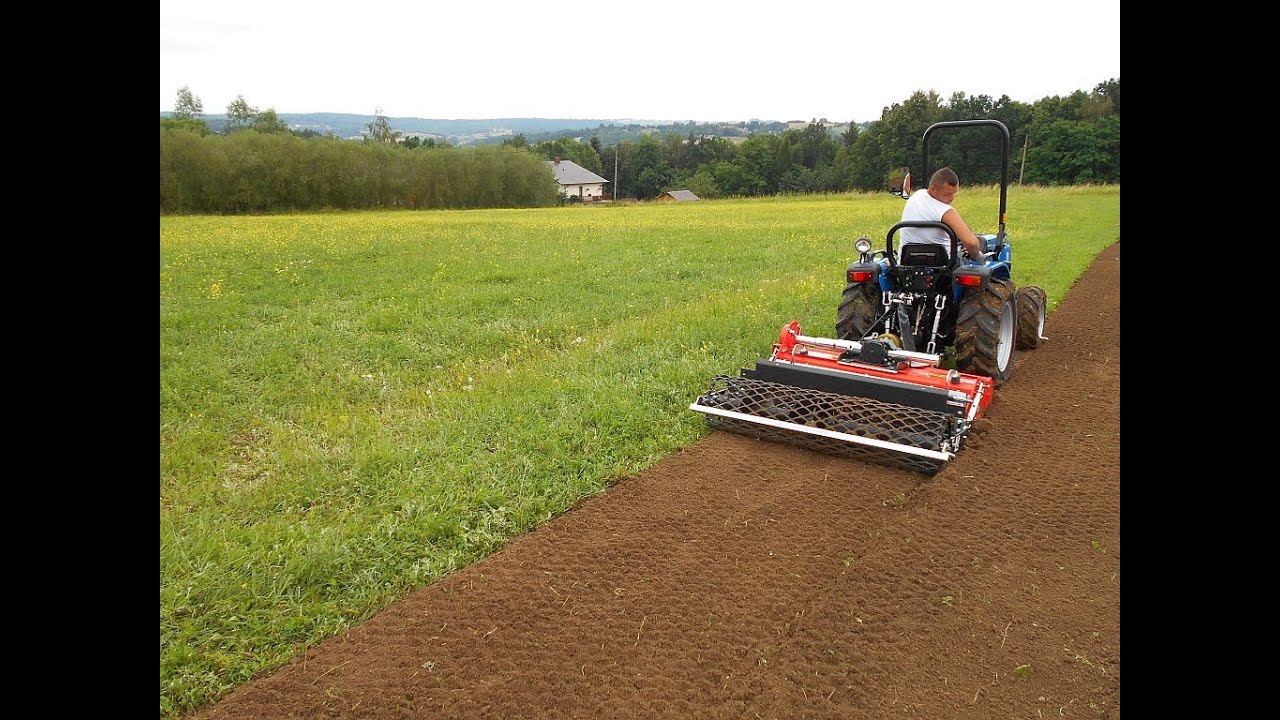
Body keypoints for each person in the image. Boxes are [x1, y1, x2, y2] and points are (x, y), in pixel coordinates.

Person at [899, 166, 984, 261]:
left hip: (906, 264)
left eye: (953, 194)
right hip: (943, 268)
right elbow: (970, 242)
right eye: (947, 194)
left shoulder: (916, 196)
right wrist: (978, 255)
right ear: (933, 189)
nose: (952, 198)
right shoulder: (944, 211)